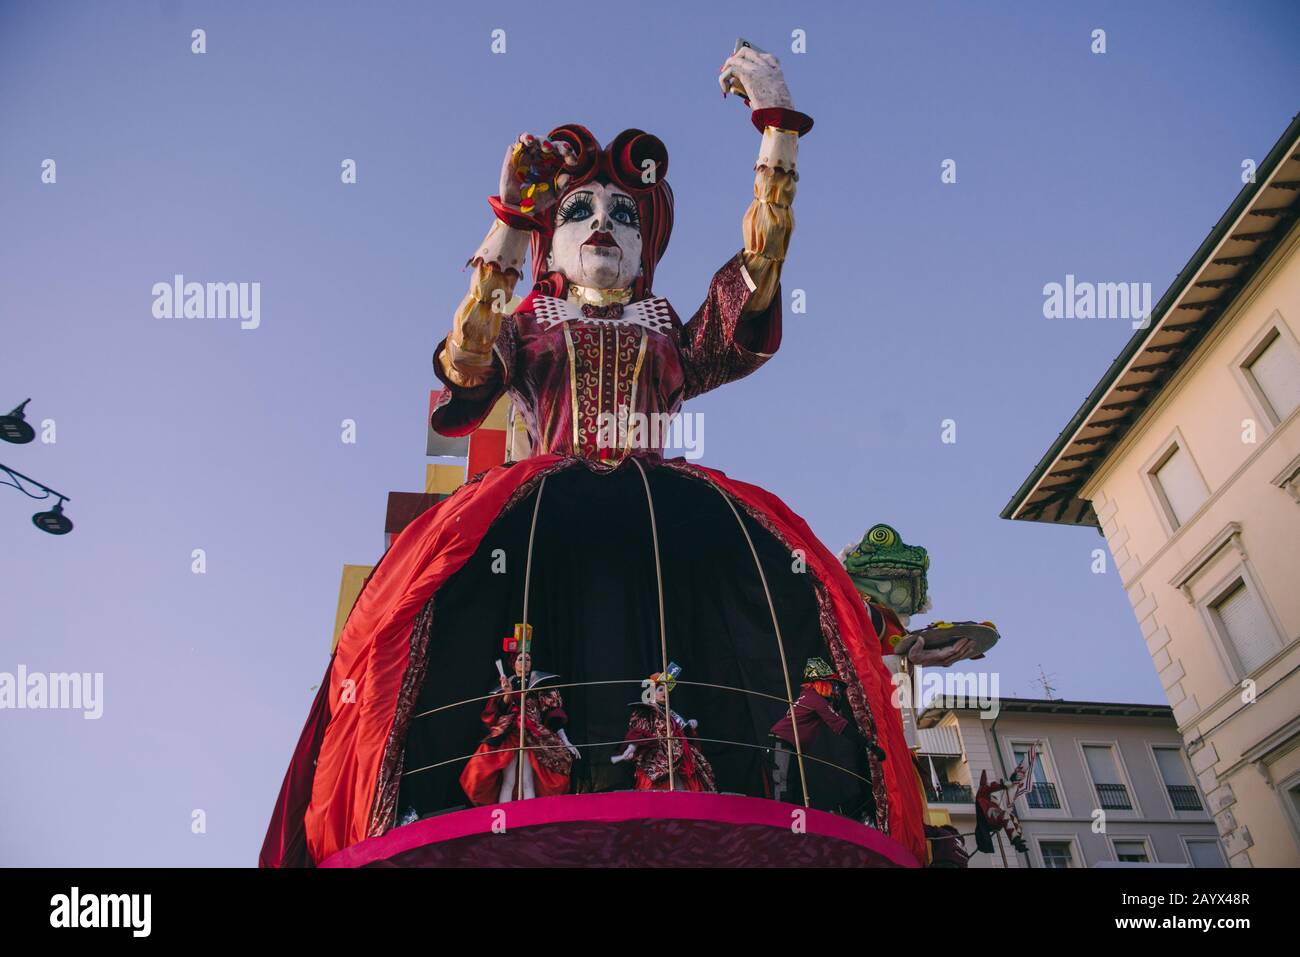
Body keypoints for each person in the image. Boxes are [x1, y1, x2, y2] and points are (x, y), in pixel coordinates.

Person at [264, 43, 928, 868]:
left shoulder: (674, 334)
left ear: (648, 251)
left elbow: (758, 272)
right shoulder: (528, 324)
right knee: (453, 611)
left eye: (623, 214)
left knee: (751, 606)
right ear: (550, 249)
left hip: (671, 517)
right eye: (578, 211)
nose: (603, 224)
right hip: (537, 516)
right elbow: (464, 361)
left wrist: (777, 126)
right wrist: (507, 219)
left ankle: (692, 773)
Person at [459, 630, 580, 805]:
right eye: (520, 659)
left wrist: (565, 740)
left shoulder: (540, 684)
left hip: (532, 733)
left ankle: (529, 819)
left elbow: (552, 713)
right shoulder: (507, 683)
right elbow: (500, 708)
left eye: (528, 659)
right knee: (508, 781)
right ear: (513, 663)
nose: (525, 662)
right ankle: (504, 819)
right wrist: (508, 693)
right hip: (511, 733)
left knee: (527, 781)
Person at [612, 664, 715, 793]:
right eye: (661, 689)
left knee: (683, 790)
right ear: (652, 692)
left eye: (666, 690)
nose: (664, 693)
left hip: (679, 757)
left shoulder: (670, 713)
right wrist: (632, 747)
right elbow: (639, 731)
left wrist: (691, 725)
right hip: (659, 757)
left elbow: (683, 730)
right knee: (660, 792)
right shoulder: (647, 710)